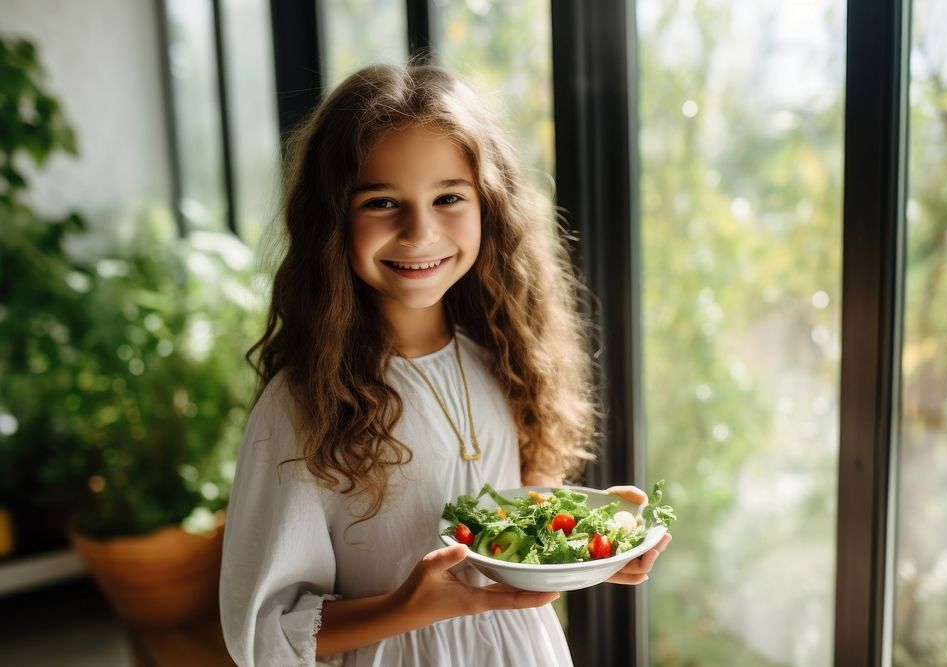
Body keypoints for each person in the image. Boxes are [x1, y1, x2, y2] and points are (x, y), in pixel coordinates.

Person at [219, 63, 671, 667]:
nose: (419, 232)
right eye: (382, 202)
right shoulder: (303, 406)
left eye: (449, 198)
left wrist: (585, 542)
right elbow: (264, 634)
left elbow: (512, 525)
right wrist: (409, 606)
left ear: (489, 208)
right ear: (330, 220)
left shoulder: (505, 360)